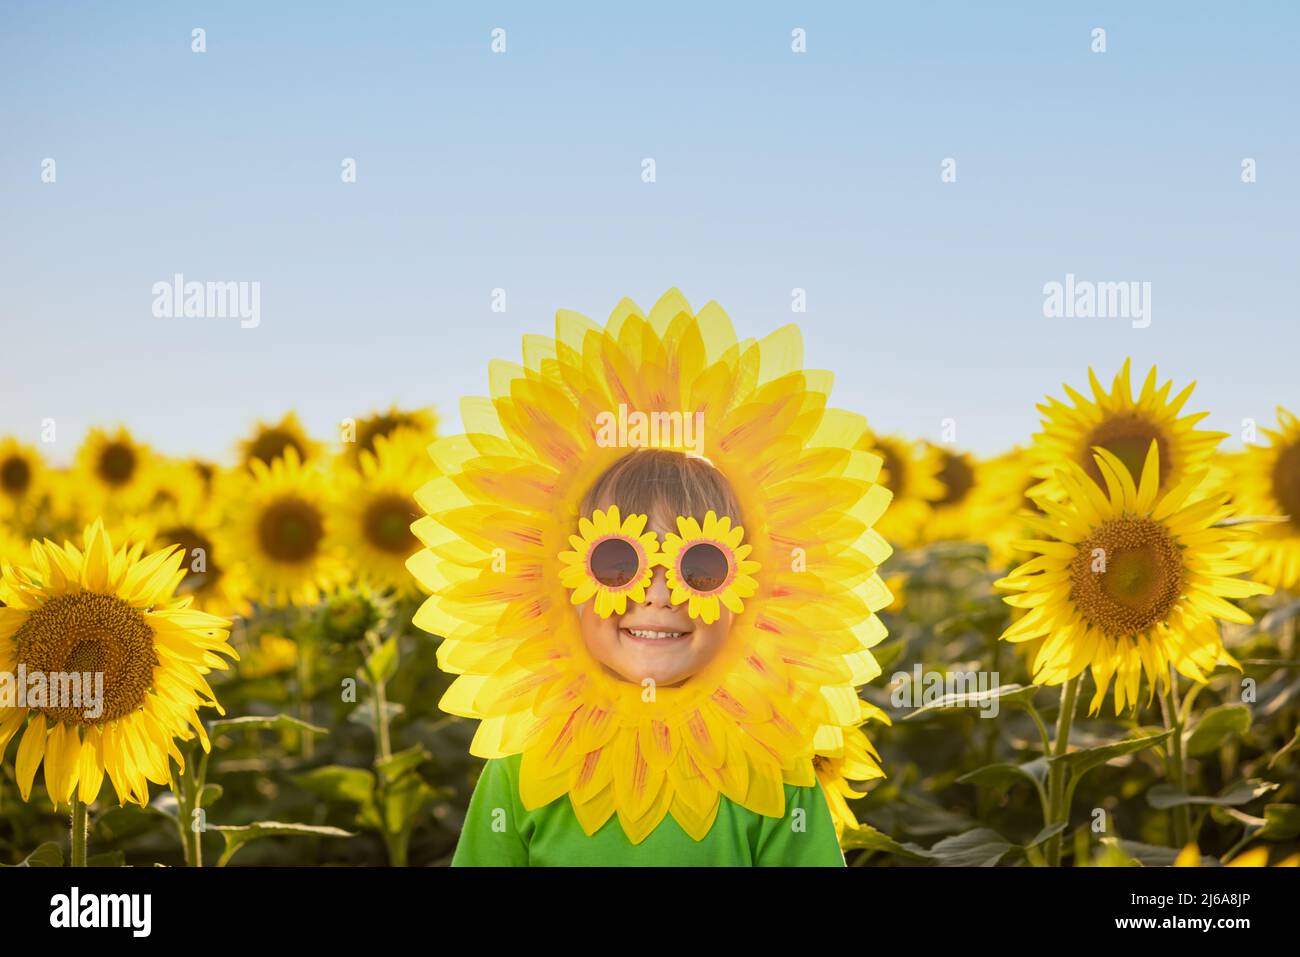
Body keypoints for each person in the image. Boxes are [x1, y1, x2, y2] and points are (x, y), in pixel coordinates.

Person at [408, 289, 894, 866]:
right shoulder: (524, 765)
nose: (658, 593)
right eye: (618, 563)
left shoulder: (776, 773)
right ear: (552, 583)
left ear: (760, 591)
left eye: (702, 567)